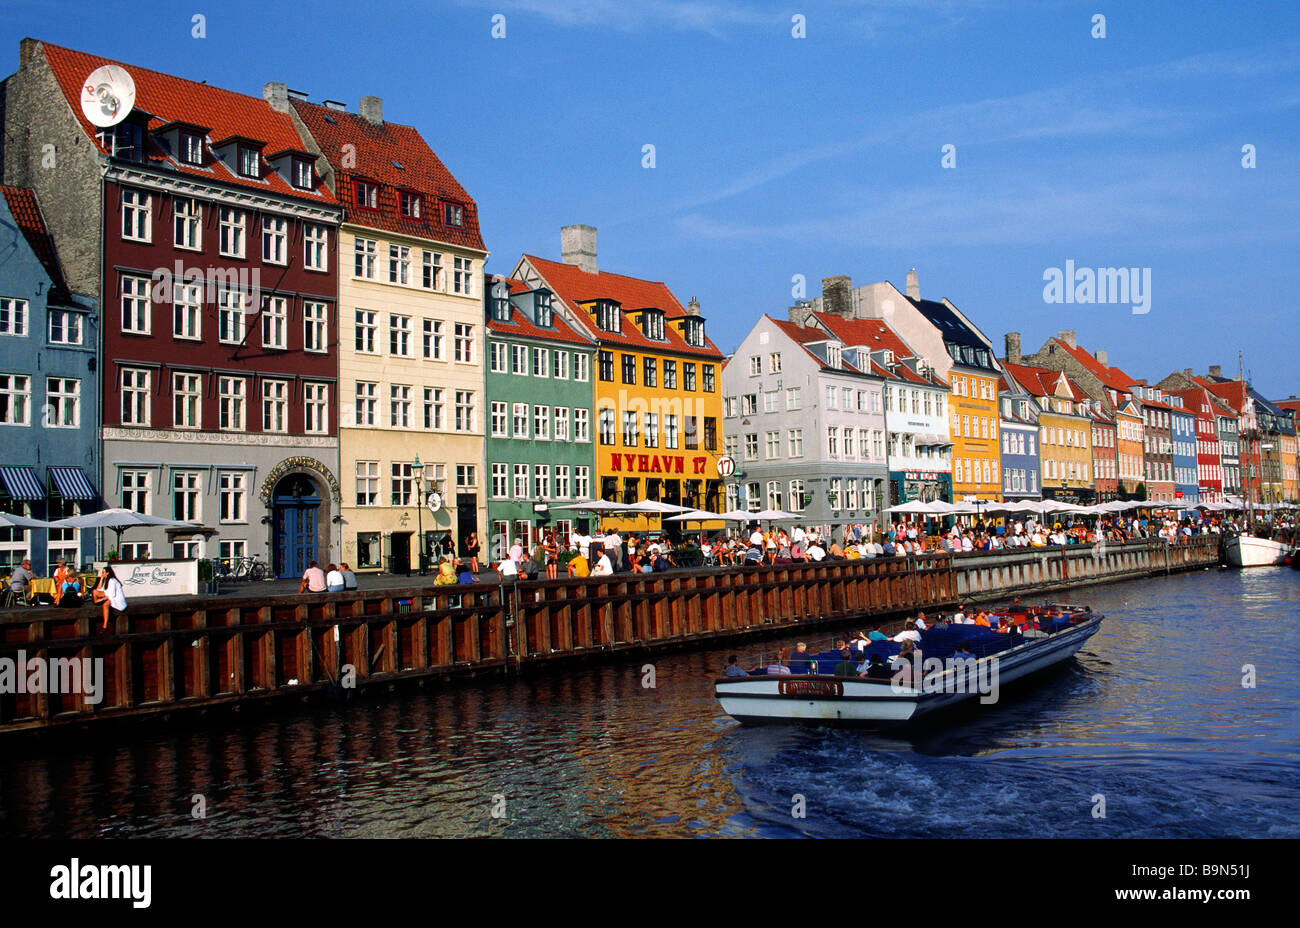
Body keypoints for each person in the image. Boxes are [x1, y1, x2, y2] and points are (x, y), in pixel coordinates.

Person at [91, 564, 127, 630]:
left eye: (103, 572)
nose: (102, 574)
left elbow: (112, 594)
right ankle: (97, 601)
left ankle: (105, 625)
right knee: (94, 591)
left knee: (105, 605)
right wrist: (101, 579)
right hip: (109, 596)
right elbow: (99, 589)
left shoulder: (112, 581)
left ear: (107, 573)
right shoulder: (106, 580)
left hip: (116, 600)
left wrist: (103, 598)